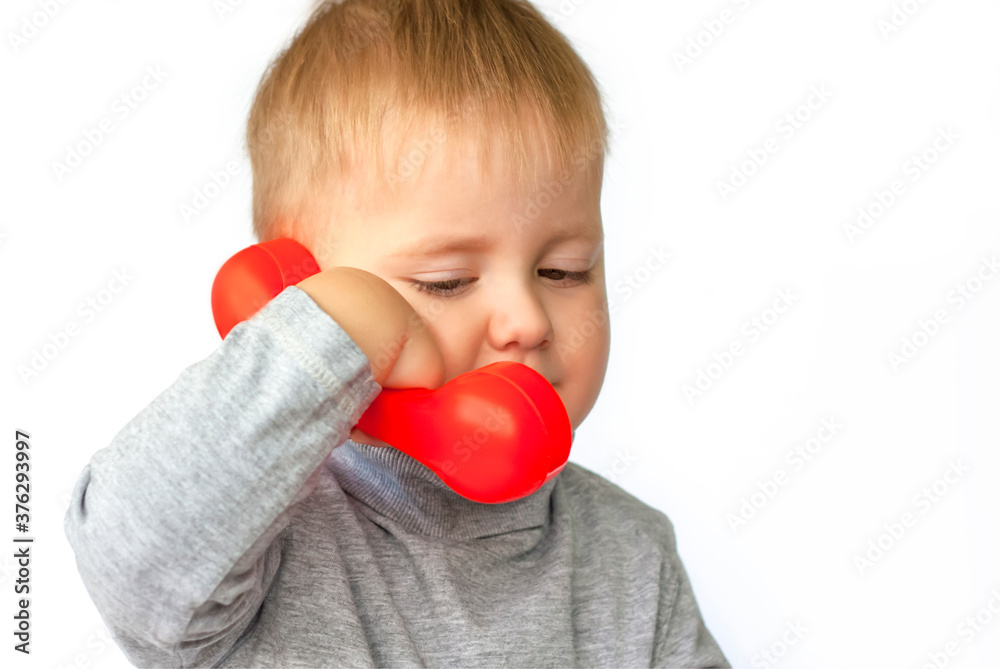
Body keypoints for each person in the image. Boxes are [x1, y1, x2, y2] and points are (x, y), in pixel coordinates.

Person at [63, 0, 730, 666]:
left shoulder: (635, 558)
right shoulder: (252, 548)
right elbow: (126, 548)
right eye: (446, 281)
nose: (527, 319)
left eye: (563, 270)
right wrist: (335, 329)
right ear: (298, 294)